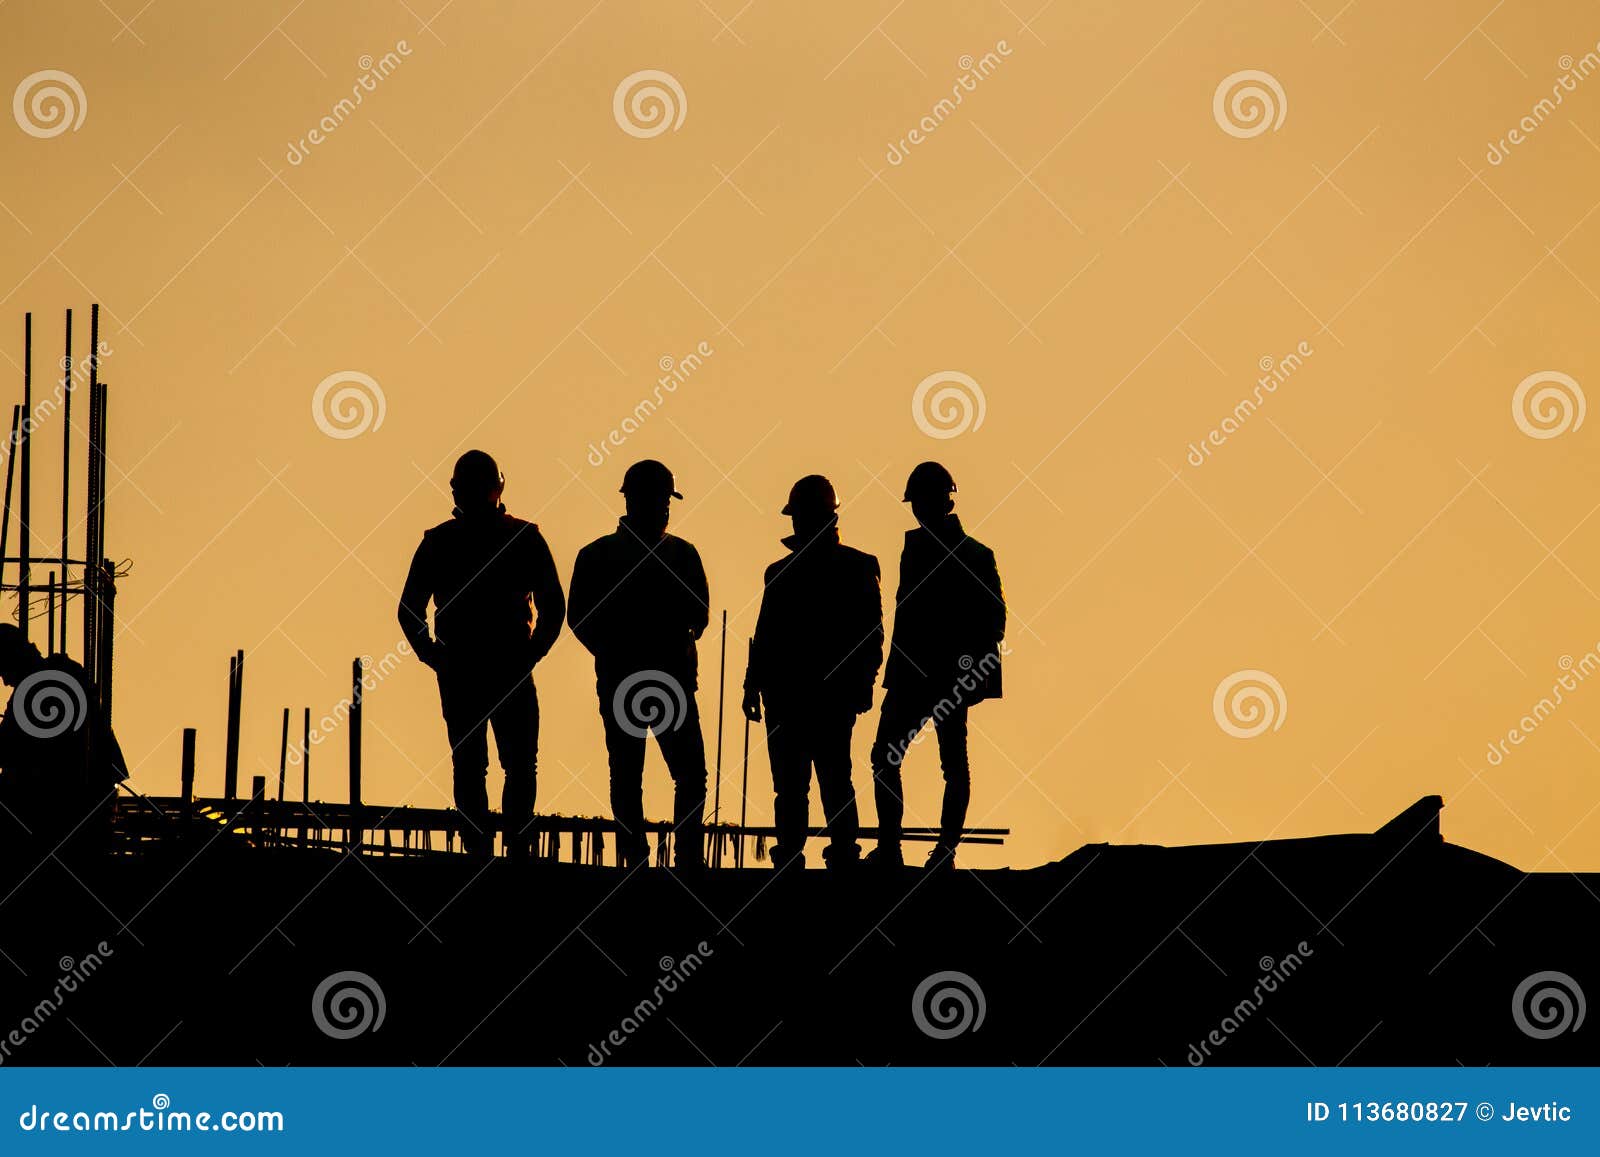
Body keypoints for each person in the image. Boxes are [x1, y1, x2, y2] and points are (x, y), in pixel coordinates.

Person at [398, 451, 564, 860]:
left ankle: (491, 851)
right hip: (488, 669)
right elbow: (409, 609)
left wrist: (435, 656)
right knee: (504, 765)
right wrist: (436, 656)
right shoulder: (511, 538)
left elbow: (554, 606)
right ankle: (504, 851)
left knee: (490, 765)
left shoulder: (496, 539)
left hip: (485, 669)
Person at [567, 460, 709, 870]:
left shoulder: (600, 555)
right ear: (634, 500)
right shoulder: (677, 555)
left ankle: (642, 856)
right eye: (659, 500)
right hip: (660, 679)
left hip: (634, 679)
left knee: (636, 773)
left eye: (665, 501)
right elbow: (697, 616)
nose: (663, 508)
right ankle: (679, 857)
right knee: (664, 772)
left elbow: (580, 618)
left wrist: (613, 651)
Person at [869, 462, 1005, 871]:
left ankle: (939, 852)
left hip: (942, 678)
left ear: (943, 500)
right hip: (919, 676)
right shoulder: (914, 550)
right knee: (890, 757)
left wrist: (962, 666)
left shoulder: (974, 555)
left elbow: (993, 623)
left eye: (923, 500)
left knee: (946, 764)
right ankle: (899, 850)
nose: (918, 509)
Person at [742, 476, 881, 870]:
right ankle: (799, 852)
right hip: (790, 694)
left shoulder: (857, 568)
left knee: (829, 777)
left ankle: (834, 852)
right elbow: (765, 633)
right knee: (794, 782)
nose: (798, 523)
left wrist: (863, 685)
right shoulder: (781, 573)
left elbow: (870, 636)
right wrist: (752, 685)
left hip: (826, 694)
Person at [0, 625, 126, 862]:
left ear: (14, 658)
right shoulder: (58, 676)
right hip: (85, 807)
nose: (5, 681)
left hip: (64, 815)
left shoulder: (43, 686)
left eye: (3, 669)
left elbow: (11, 749)